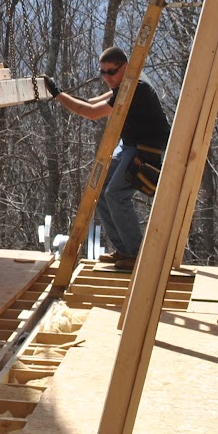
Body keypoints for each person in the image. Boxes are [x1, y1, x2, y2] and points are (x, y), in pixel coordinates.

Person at [53, 46, 171, 271]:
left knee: (115, 195)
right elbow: (89, 103)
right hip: (129, 146)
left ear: (125, 68)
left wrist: (57, 95)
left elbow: (91, 113)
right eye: (103, 73)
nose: (107, 77)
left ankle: (136, 253)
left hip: (146, 150)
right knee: (101, 192)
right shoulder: (124, 84)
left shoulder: (134, 88)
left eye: (112, 72)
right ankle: (124, 250)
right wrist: (59, 93)